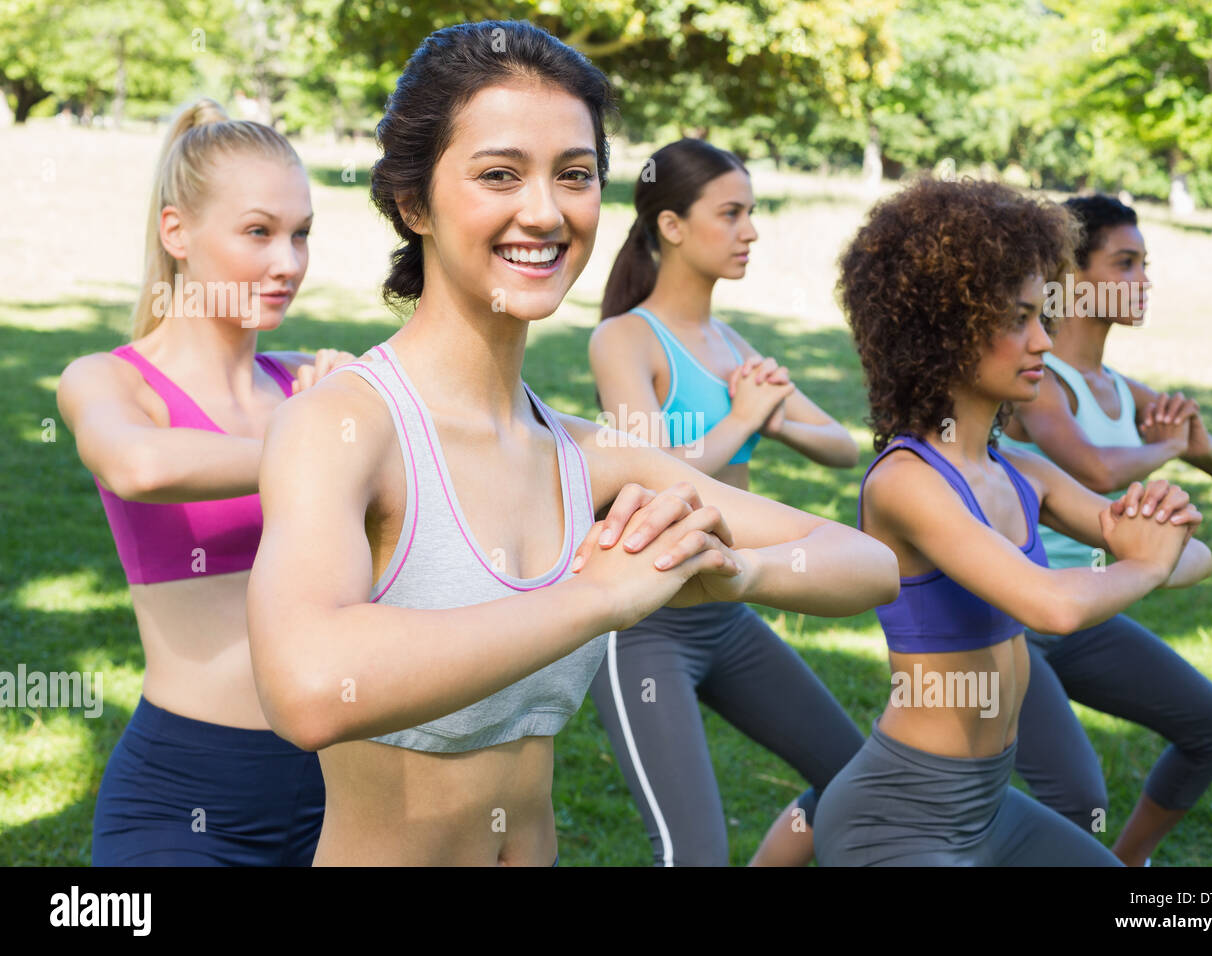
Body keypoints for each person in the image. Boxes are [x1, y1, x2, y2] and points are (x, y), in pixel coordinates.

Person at [244, 20, 900, 867]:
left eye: (575, 175)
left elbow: (865, 561)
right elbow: (304, 688)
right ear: (414, 203)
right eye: (499, 175)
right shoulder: (344, 427)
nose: (546, 212)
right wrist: (597, 599)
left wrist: (738, 570)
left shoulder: (592, 455)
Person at [813, 178, 1212, 866]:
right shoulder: (907, 482)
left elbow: (1193, 559)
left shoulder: (1022, 470)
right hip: (899, 817)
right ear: (945, 328)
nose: (1043, 341)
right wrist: (1147, 560)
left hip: (992, 808)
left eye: (1043, 317)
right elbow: (1051, 604)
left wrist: (1165, 526)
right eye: (1017, 319)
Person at [56, 99, 354, 865]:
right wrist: (327, 442)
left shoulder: (312, 385)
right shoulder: (113, 384)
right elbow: (138, 465)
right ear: (176, 231)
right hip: (183, 797)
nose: (288, 263)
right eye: (258, 231)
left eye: (301, 233)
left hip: (348, 792)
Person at [586, 138, 865, 866]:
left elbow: (842, 445)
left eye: (753, 212)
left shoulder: (732, 344)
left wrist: (772, 412)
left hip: (729, 614)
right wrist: (742, 418)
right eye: (732, 213)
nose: (751, 230)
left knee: (858, 778)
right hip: (645, 626)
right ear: (672, 225)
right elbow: (643, 473)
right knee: (694, 854)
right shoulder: (624, 339)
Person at [998, 193, 1212, 865]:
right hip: (1015, 614)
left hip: (1081, 611)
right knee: (1071, 799)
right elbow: (1096, 467)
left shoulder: (1118, 385)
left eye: (1145, 266)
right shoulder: (1036, 378)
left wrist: (1199, 442)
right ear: (1072, 277)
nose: (1143, 282)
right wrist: (1168, 449)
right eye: (1127, 264)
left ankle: (1128, 863)